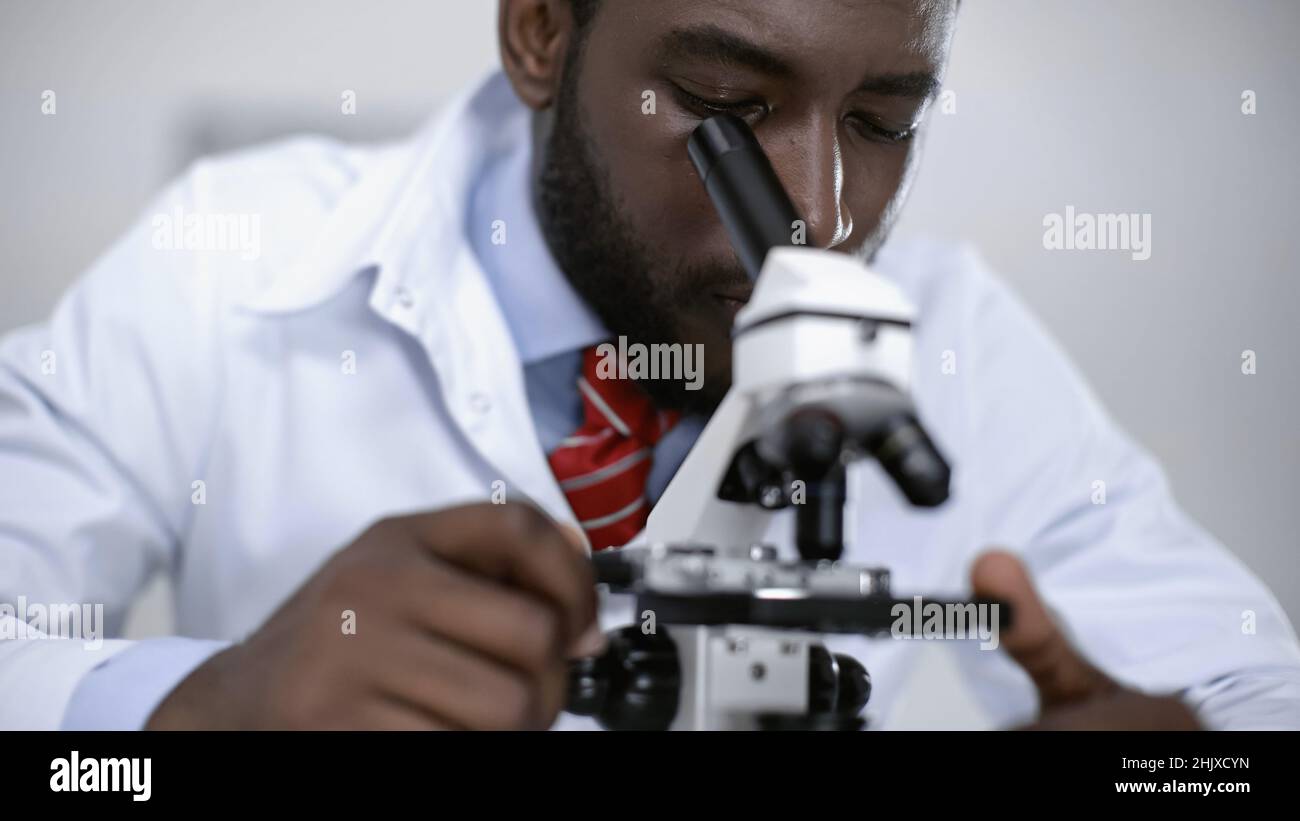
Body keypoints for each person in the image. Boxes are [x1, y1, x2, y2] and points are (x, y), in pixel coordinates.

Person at [1, 0, 1297, 731]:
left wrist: (1173, 764)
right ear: (542, 34)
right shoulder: (230, 260)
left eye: (883, 122)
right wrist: (190, 714)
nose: (821, 214)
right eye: (729, 113)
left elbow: (1254, 693)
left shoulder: (946, 332)